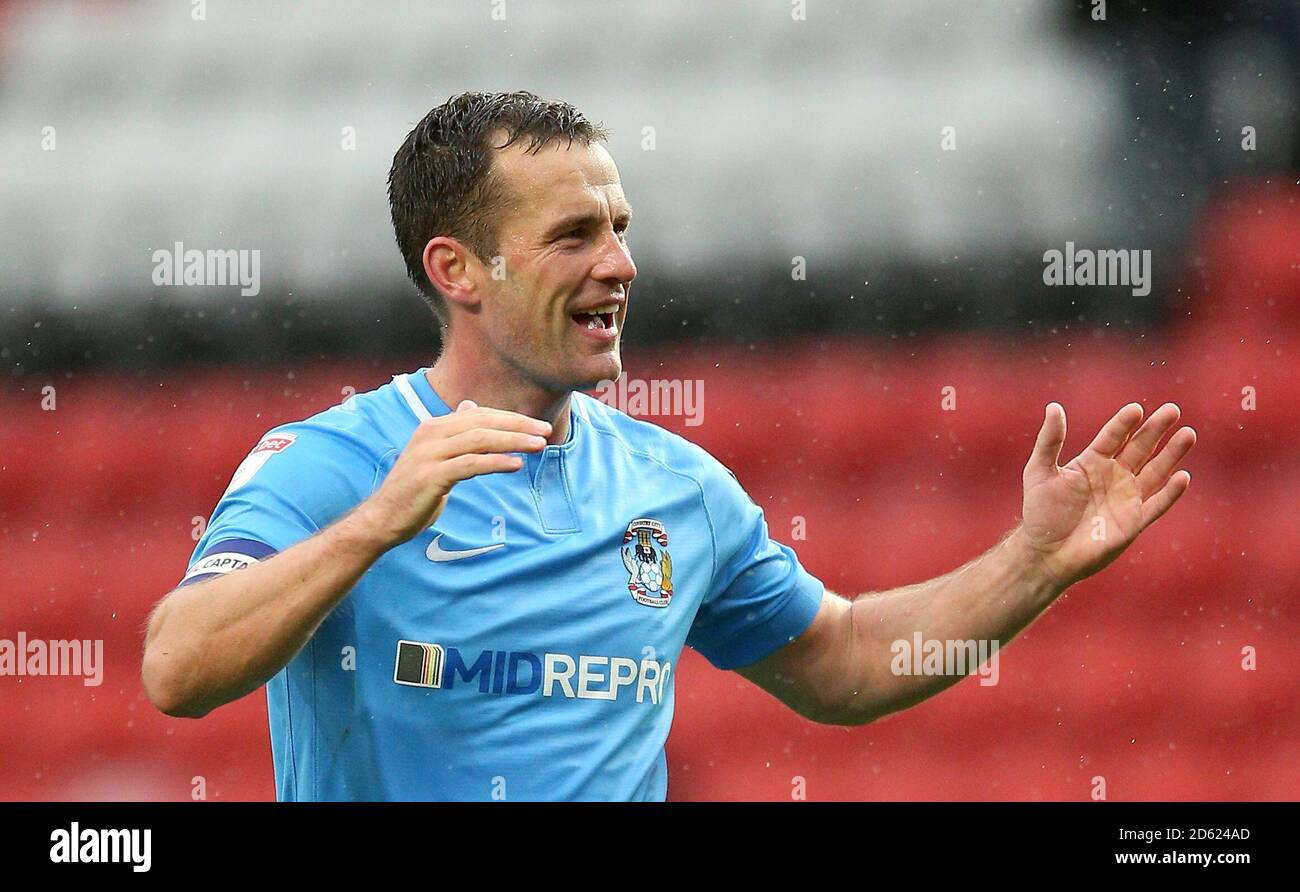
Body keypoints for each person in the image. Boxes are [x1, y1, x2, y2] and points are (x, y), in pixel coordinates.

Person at [141, 91, 1196, 801]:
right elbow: (177, 667)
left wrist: (1036, 561)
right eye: (572, 237)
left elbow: (843, 662)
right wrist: (374, 527)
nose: (621, 264)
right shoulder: (333, 463)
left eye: (619, 225)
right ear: (460, 270)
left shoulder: (675, 488)